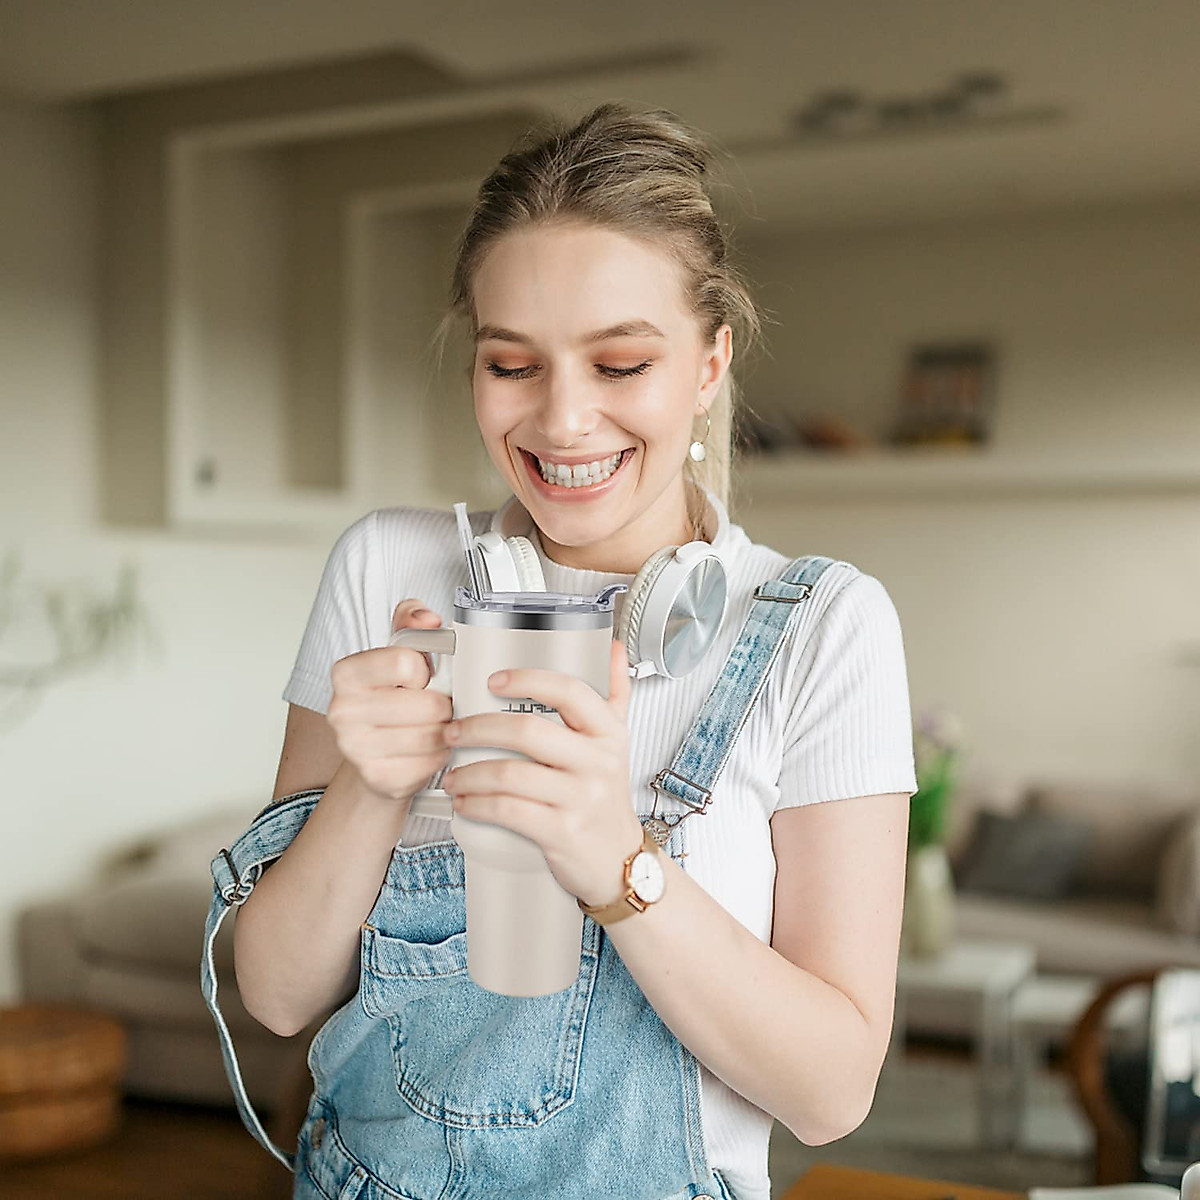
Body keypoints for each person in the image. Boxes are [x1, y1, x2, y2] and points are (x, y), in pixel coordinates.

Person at [210, 102, 919, 1200]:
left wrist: (612, 857)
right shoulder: (387, 570)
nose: (564, 420)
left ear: (709, 364)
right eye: (513, 364)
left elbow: (832, 1095)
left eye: (622, 364)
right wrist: (372, 786)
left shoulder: (824, 626)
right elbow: (276, 992)